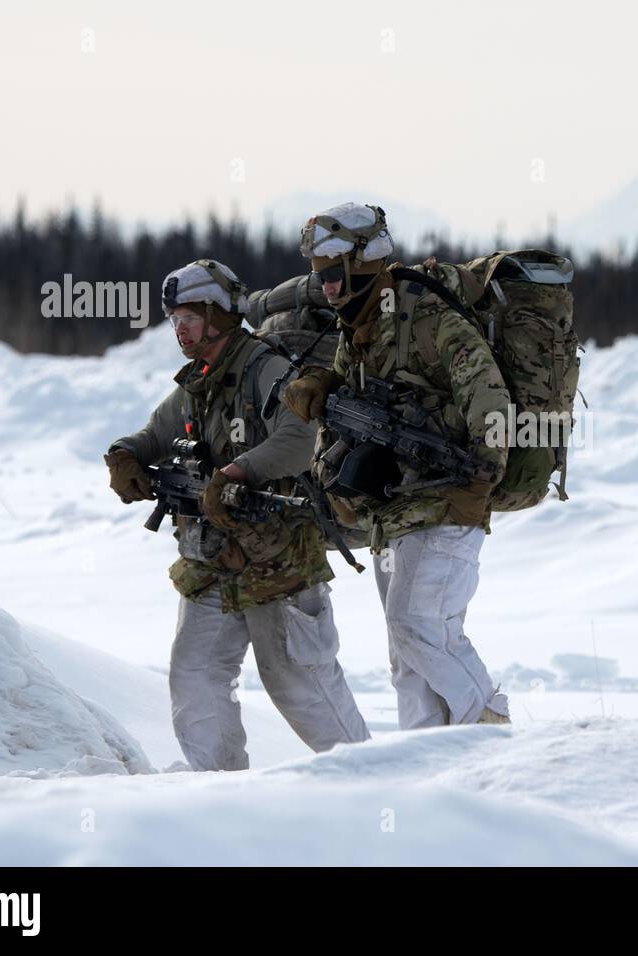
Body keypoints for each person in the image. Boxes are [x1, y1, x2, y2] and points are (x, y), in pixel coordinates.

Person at [104, 258, 370, 769]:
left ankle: (381, 790)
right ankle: (219, 802)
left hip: (280, 566)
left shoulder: (265, 368)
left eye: (189, 318)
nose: (179, 329)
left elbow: (300, 441)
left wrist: (237, 474)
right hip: (211, 566)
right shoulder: (200, 380)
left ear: (218, 315)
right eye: (174, 319)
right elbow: (156, 432)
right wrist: (125, 454)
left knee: (301, 687)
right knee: (195, 681)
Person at [283, 203, 512, 729]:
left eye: (333, 273)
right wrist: (321, 384)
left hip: (447, 498)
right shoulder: (360, 328)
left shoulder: (426, 316)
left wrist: (482, 477)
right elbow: (346, 388)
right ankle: (428, 773)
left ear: (363, 264)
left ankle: (491, 728)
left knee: (419, 627)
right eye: (319, 276)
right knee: (407, 661)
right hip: (396, 511)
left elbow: (488, 392)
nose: (327, 287)